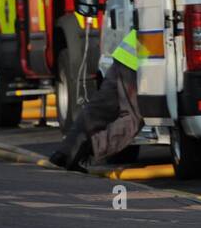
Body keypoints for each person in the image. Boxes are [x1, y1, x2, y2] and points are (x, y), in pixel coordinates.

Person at [49, 29, 142, 172]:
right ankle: (88, 147)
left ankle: (65, 151)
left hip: (125, 55)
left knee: (98, 110)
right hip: (138, 61)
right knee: (132, 119)